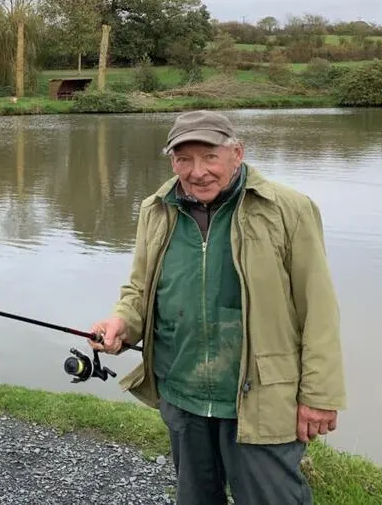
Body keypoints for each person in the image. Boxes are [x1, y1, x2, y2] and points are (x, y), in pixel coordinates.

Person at [88, 110, 345, 505]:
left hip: (261, 396)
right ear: (171, 161)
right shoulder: (155, 209)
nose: (197, 171)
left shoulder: (288, 210)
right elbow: (140, 288)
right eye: (184, 159)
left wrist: (319, 394)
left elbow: (319, 308)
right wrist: (123, 321)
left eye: (210, 157)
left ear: (236, 154)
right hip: (183, 390)